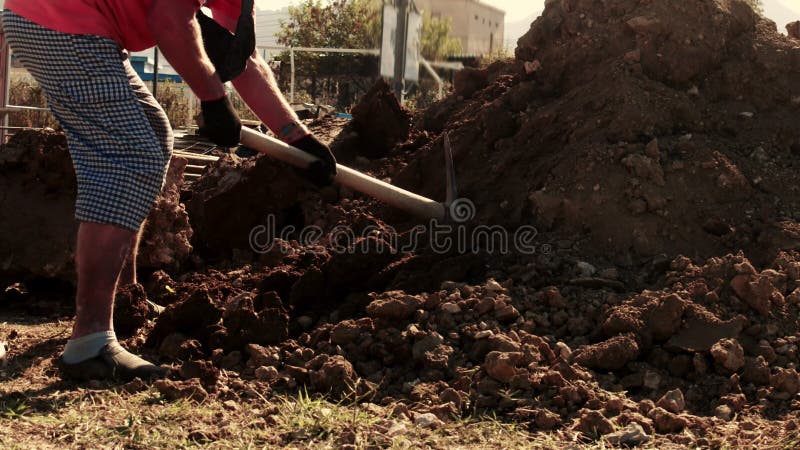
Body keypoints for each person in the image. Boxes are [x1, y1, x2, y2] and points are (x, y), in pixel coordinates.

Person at [1, 0, 337, 381]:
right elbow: (169, 21)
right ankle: (89, 342)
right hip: (59, 21)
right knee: (130, 157)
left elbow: (243, 57)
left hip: (61, 22)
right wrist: (213, 100)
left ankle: (125, 300)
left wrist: (297, 137)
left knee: (152, 133)